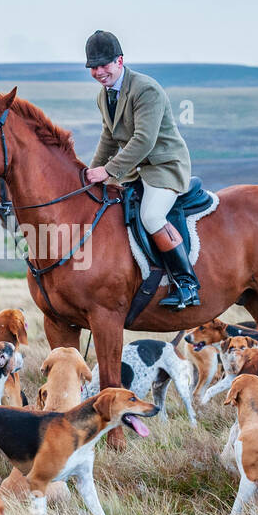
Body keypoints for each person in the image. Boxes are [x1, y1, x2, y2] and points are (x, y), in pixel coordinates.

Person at [84, 30, 199, 308]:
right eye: (93, 67)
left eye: (105, 65)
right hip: (137, 170)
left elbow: (144, 141)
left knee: (151, 216)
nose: (99, 72)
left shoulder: (145, 89)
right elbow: (109, 138)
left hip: (164, 166)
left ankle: (187, 283)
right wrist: (91, 173)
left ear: (120, 60)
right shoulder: (104, 96)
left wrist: (109, 170)